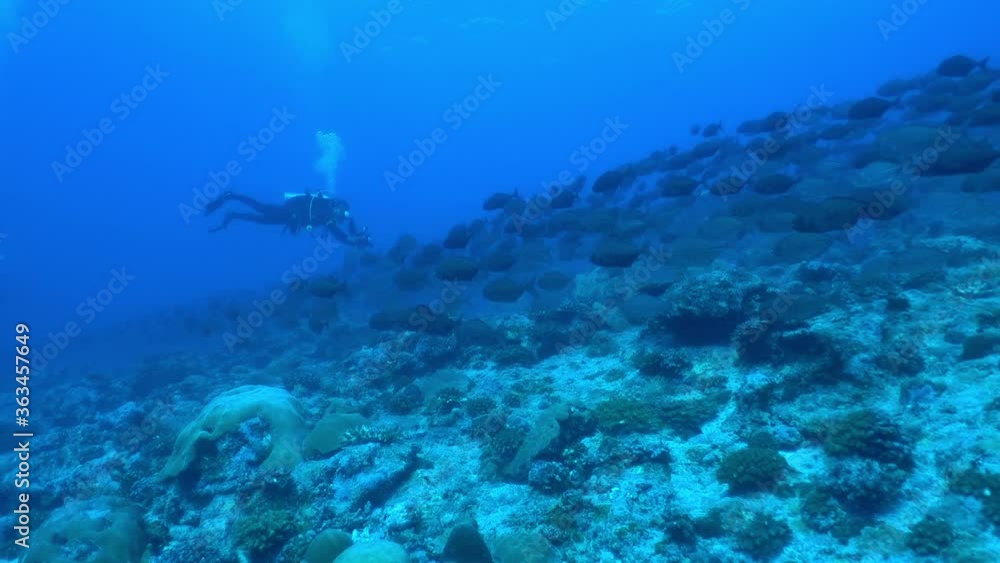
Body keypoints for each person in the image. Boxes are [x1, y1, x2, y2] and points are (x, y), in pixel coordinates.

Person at [204, 190, 372, 248]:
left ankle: (234, 214)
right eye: (342, 211)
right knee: (260, 209)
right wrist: (352, 241)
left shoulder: (328, 214)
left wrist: (354, 239)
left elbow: (337, 232)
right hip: (289, 213)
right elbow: (337, 234)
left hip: (290, 219)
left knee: (260, 219)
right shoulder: (326, 210)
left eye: (343, 213)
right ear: (338, 207)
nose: (341, 215)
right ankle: (231, 195)